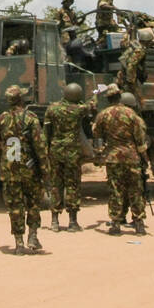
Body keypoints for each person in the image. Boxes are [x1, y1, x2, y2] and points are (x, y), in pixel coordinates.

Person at [0, 85, 48, 254]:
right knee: (33, 204)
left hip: (10, 170)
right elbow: (40, 146)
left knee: (15, 207)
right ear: (21, 99)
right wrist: (45, 169)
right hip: (29, 170)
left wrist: (3, 165)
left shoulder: (1, 119)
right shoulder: (30, 118)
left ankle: (19, 243)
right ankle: (32, 236)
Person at [92, 83, 149, 235]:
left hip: (113, 159)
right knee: (135, 190)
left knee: (116, 191)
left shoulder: (103, 115)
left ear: (108, 98)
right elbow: (140, 140)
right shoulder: (132, 115)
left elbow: (96, 135)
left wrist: (99, 154)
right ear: (120, 96)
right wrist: (145, 158)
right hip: (132, 157)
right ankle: (139, 224)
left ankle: (116, 224)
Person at [44, 82, 95, 232]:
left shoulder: (52, 109)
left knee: (55, 185)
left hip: (55, 151)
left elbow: (46, 131)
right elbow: (91, 105)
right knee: (72, 185)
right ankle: (73, 222)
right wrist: (95, 93)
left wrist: (45, 150)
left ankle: (54, 221)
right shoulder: (79, 109)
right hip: (72, 153)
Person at [118, 26, 154, 93]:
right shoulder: (140, 50)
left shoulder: (133, 44)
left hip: (122, 73)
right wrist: (131, 81)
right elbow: (131, 65)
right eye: (149, 41)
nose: (150, 43)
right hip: (130, 76)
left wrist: (127, 33)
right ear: (146, 41)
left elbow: (123, 44)